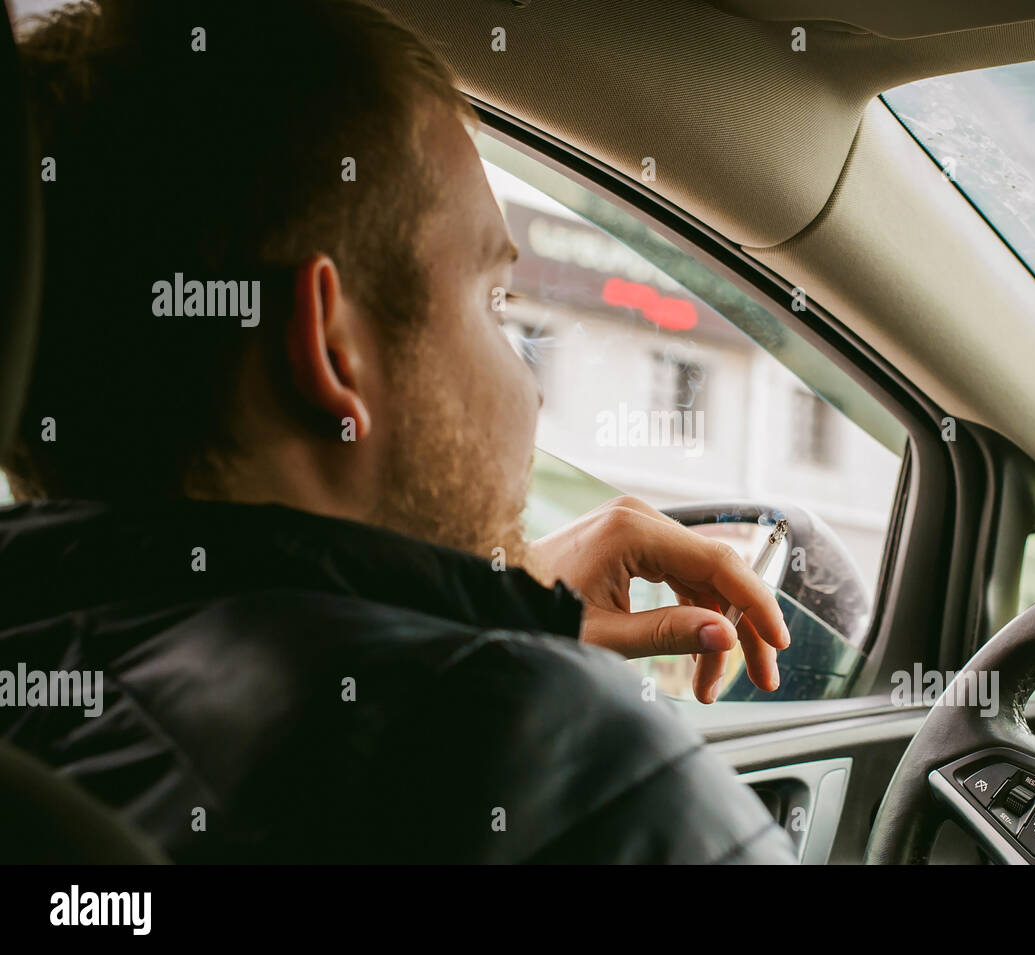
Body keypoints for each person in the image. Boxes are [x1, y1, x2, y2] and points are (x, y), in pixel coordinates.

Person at [0, 0, 798, 862]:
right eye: (494, 303)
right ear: (334, 347)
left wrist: (483, 598)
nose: (531, 393)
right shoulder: (539, 759)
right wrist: (489, 667)